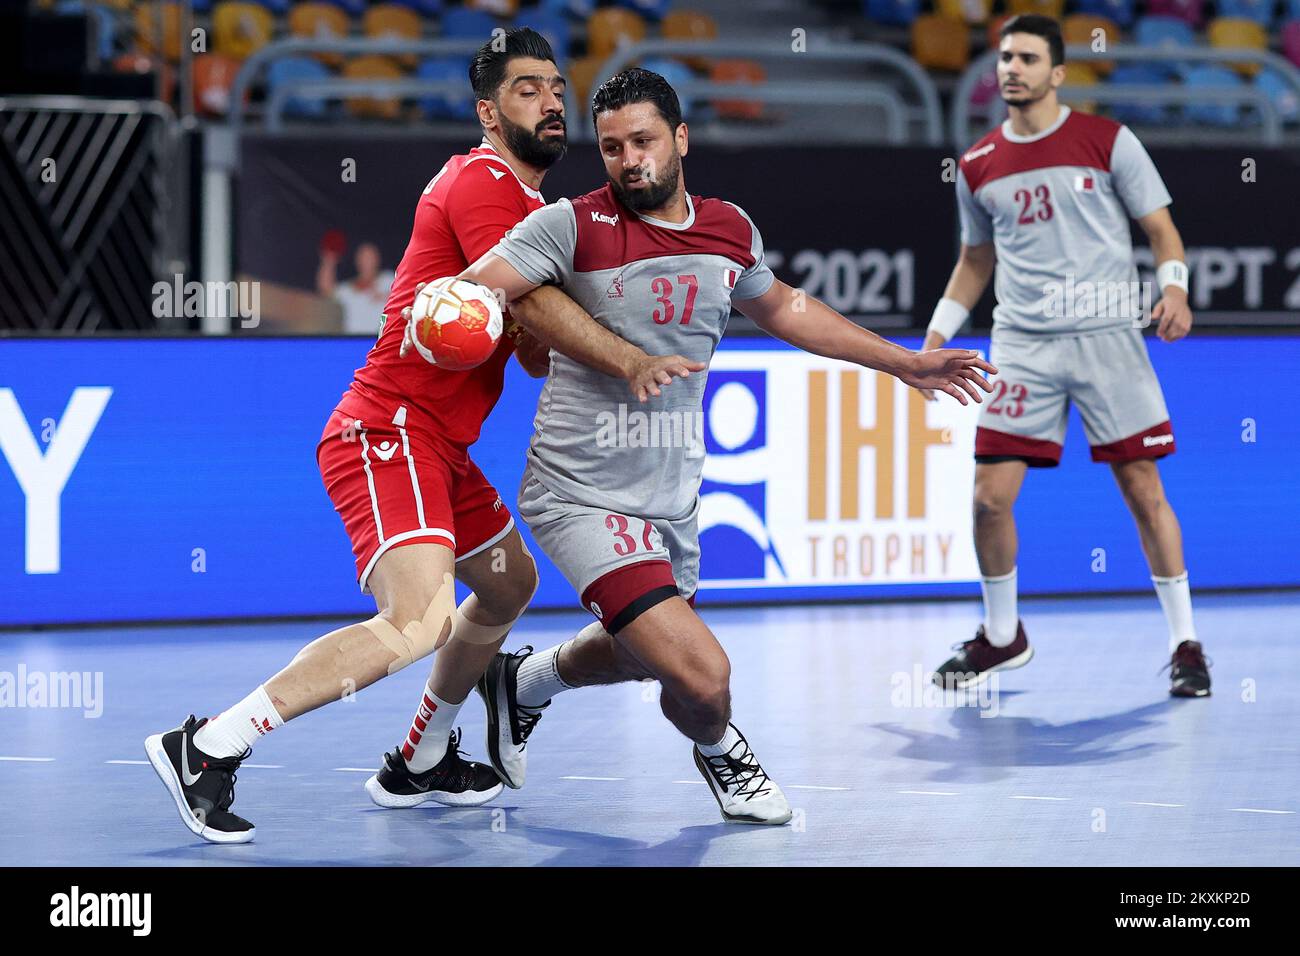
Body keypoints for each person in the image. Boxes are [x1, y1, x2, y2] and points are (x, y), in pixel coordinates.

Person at [413, 68, 996, 824]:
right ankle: (725, 754)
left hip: (671, 495)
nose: (630, 160)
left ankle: (523, 684)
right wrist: (462, 305)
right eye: (614, 147)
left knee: (638, 652)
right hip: (579, 492)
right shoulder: (569, 226)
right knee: (703, 677)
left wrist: (905, 362)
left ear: (681, 139)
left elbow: (787, 308)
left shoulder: (728, 228)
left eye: (645, 141)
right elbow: (481, 289)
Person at [143, 29, 610, 843]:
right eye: (529, 88)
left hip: (442, 446)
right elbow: (537, 313)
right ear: (489, 113)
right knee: (414, 622)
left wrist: (540, 327)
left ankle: (421, 756)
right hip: (386, 428)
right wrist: (621, 344)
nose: (551, 102)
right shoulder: (482, 180)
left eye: (558, 89)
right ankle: (210, 746)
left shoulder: (535, 213)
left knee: (506, 583)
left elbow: (532, 350)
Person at [921, 15, 1209, 697]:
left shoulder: (1108, 140)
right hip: (1023, 347)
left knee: (1144, 492)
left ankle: (1186, 644)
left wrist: (1176, 291)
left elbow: (1163, 232)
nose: (1011, 68)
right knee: (989, 501)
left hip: (1109, 338)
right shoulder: (977, 163)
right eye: (1004, 57)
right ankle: (1001, 638)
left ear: (1058, 72)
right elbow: (973, 263)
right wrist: (934, 340)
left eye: (1027, 57)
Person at [317, 241, 396, 335]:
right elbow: (326, 290)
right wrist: (329, 261)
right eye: (363, 257)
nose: (367, 261)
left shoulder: (388, 279)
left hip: (381, 342)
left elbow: (408, 295)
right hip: (355, 342)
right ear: (357, 260)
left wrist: (386, 296)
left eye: (370, 256)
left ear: (377, 259)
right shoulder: (348, 289)